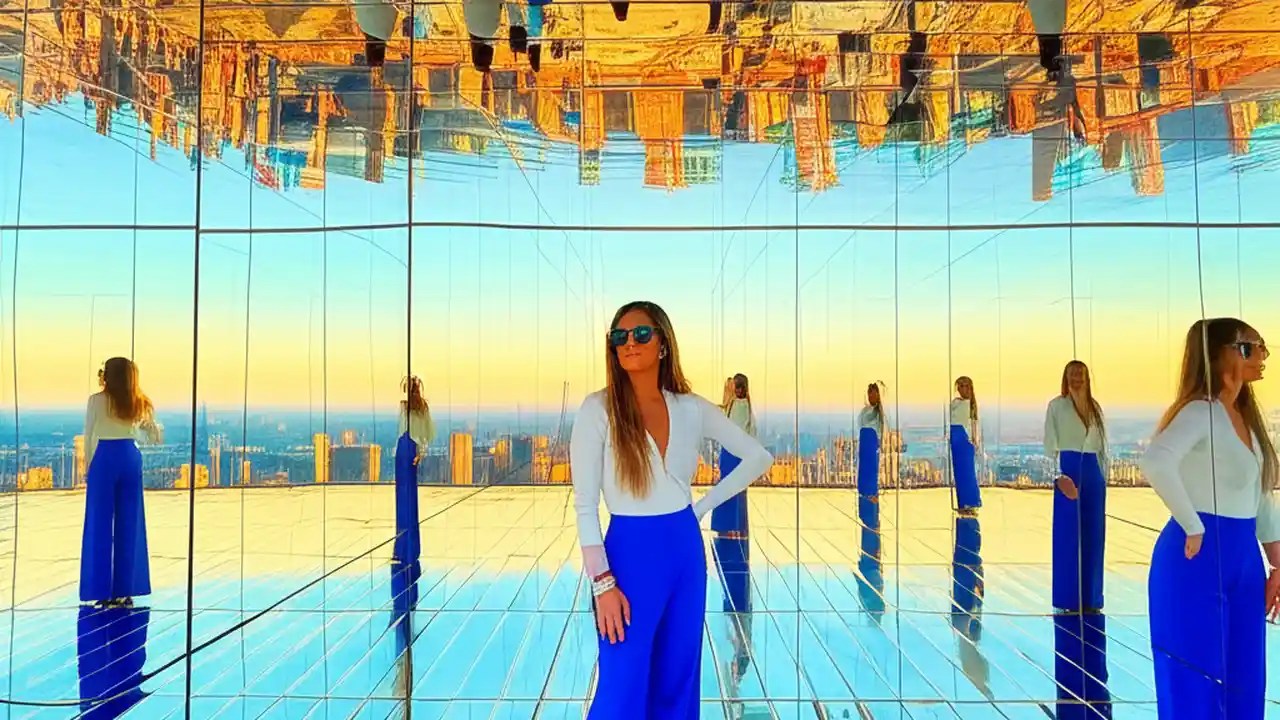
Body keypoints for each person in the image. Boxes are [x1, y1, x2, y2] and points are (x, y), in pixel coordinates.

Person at [570, 300, 773, 719]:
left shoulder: (691, 407)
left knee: (677, 682)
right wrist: (602, 584)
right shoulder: (598, 409)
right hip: (627, 554)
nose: (629, 343)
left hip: (684, 551)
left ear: (663, 344)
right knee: (622, 684)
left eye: (641, 334)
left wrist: (699, 509)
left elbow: (757, 457)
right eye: (619, 336)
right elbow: (586, 506)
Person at [1140, 318, 1280, 719]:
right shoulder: (1201, 412)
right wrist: (1192, 522)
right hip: (1194, 555)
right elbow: (1157, 461)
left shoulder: (1247, 421)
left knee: (1247, 680)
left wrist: (1277, 563)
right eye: (1251, 347)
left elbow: (1262, 496)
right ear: (1220, 353)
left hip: (1243, 562)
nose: (1262, 356)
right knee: (1193, 682)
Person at [80, 357, 162, 608]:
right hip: (130, 455)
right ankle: (125, 591)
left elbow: (89, 434)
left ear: (108, 376)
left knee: (99, 524)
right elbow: (151, 437)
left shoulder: (96, 401)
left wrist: (87, 468)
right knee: (131, 523)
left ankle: (101, 590)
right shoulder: (140, 401)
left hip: (105, 456)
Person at [1044, 360, 1108, 613]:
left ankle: (1092, 598)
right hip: (1069, 473)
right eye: (1072, 374)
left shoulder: (1095, 408)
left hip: (1094, 474)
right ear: (1065, 377)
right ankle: (1068, 599)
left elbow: (1103, 448)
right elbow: (1050, 446)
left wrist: (1103, 476)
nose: (1076, 378)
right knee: (1069, 536)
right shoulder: (1056, 406)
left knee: (1094, 535)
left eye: (1080, 374)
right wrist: (1058, 477)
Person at [394, 375, 435, 564]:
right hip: (408, 449)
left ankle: (404, 548)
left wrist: (420, 452)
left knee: (405, 497)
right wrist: (421, 452)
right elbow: (426, 434)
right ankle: (406, 547)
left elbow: (421, 433)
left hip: (406, 448)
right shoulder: (416, 408)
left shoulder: (412, 408)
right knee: (406, 497)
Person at [713, 373, 756, 537]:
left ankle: (727, 526)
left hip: (732, 452)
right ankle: (737, 526)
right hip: (739, 453)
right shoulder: (746, 406)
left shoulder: (737, 406)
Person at [949, 376, 982, 514]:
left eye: (967, 386)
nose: (964, 389)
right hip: (956, 437)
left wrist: (975, 441)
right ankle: (963, 503)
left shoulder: (971, 405)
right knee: (960, 472)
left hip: (965, 439)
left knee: (968, 472)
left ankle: (971, 502)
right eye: (961, 386)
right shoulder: (956, 402)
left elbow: (974, 424)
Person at [857, 382, 887, 499]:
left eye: (873, 394)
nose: (871, 397)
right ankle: (863, 492)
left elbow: (880, 429)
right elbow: (861, 423)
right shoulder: (865, 411)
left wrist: (878, 443)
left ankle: (871, 492)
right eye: (869, 394)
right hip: (864, 439)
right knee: (864, 467)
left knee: (871, 467)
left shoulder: (878, 412)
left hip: (872, 440)